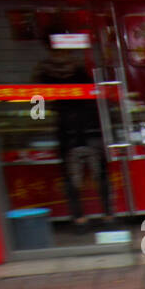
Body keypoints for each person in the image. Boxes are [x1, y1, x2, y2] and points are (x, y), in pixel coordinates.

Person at [32, 36, 112, 227]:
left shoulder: (43, 71)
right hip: (90, 129)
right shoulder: (80, 69)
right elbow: (95, 97)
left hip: (67, 131)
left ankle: (79, 219)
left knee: (72, 179)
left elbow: (37, 104)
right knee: (99, 175)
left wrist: (39, 118)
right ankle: (109, 216)